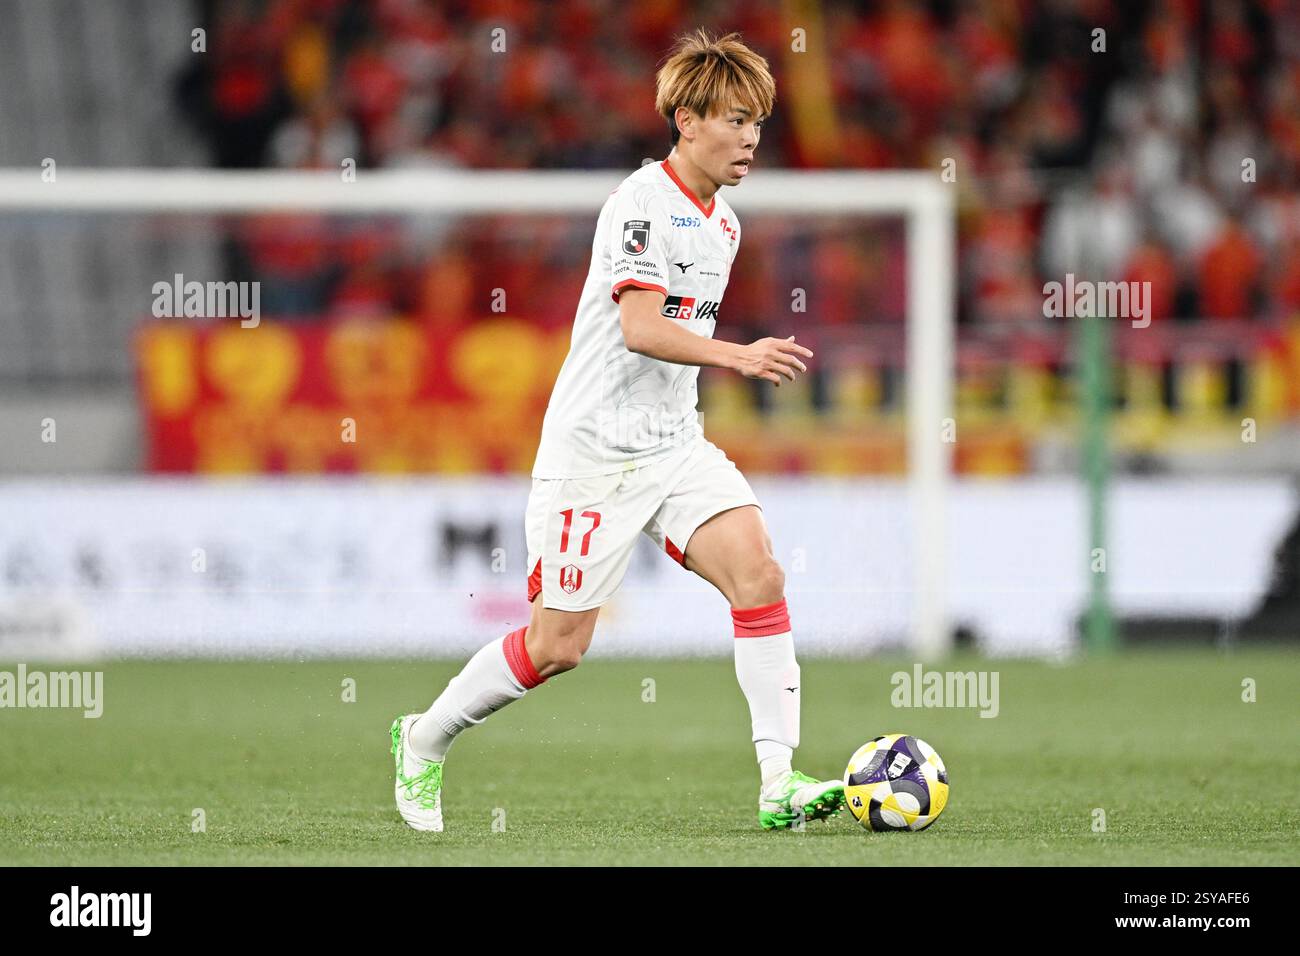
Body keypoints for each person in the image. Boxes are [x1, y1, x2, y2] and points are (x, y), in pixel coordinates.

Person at [390, 28, 843, 832]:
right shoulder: (639, 204)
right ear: (686, 119)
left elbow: (669, 343)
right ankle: (423, 741)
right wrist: (736, 355)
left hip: (674, 447)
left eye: (759, 124)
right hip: (592, 455)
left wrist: (714, 370)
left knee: (761, 577)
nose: (750, 139)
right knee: (557, 646)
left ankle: (780, 783)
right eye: (735, 120)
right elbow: (639, 327)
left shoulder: (725, 225)